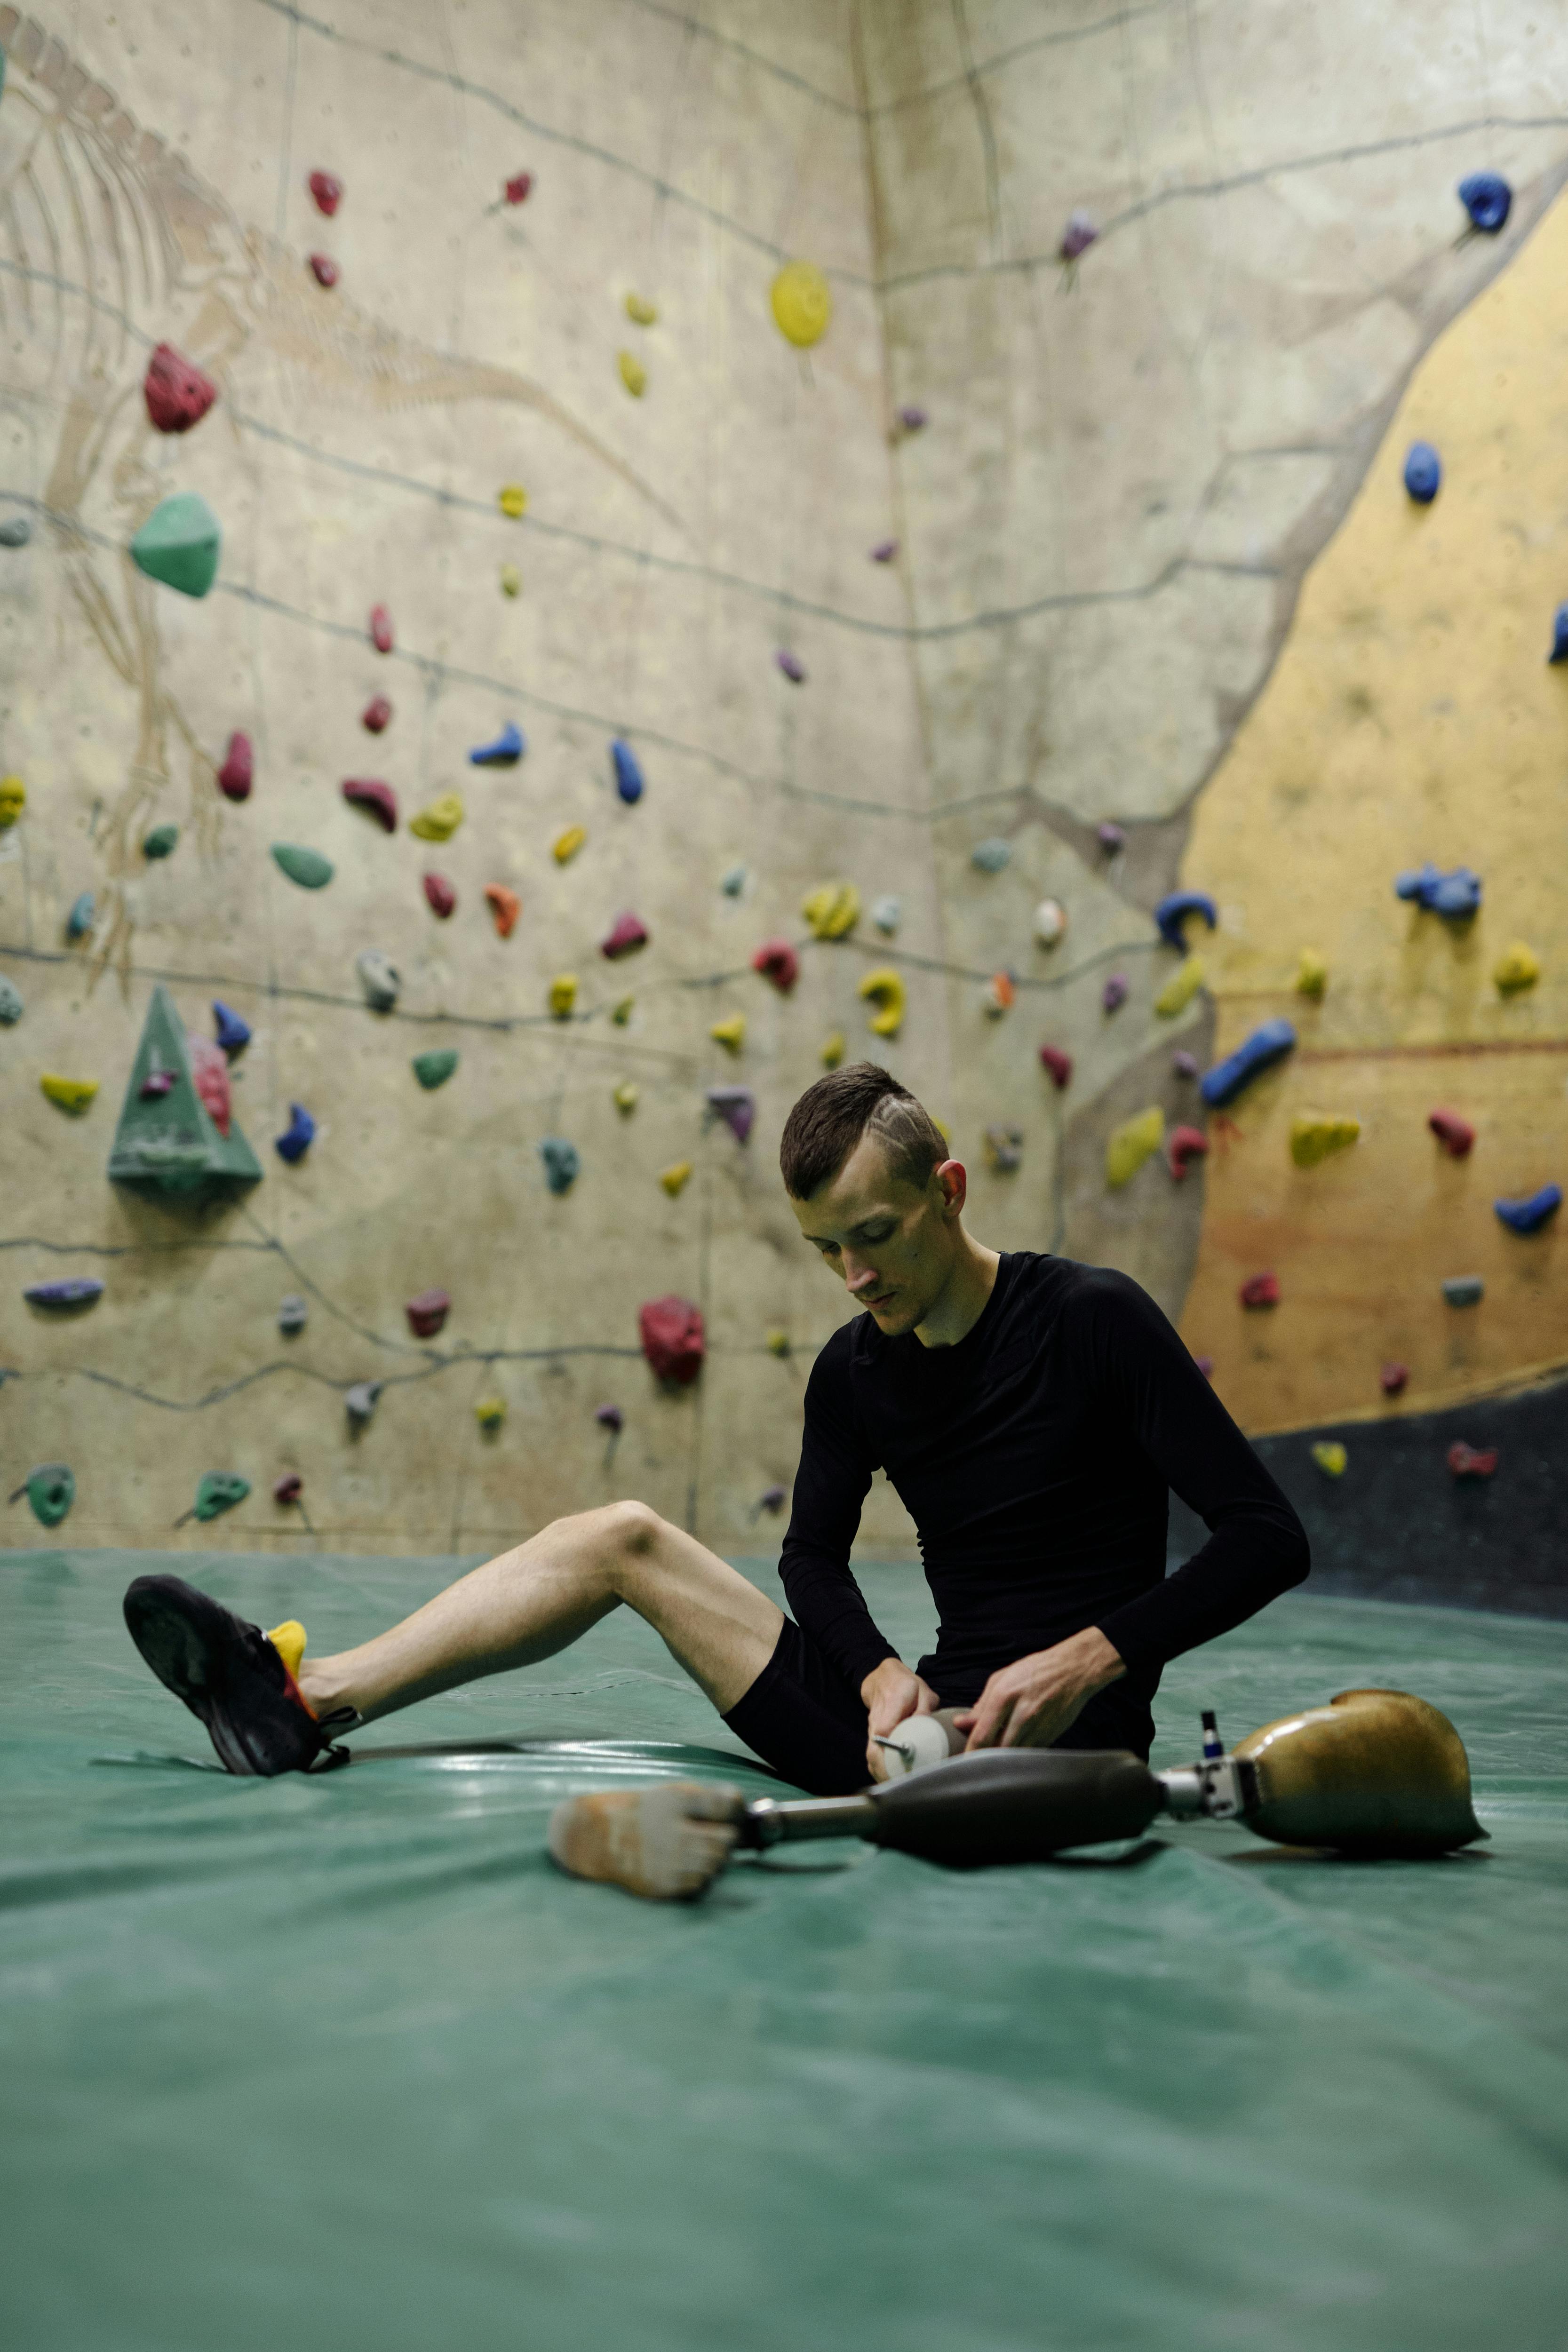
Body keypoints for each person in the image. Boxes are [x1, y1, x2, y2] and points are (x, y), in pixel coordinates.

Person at [122, 1064, 1309, 1810]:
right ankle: (306, 1701)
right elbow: (811, 1558)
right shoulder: (853, 1369)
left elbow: (1265, 1536)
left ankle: (300, 1703)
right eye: (823, 1250)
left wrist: (1089, 1658)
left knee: (997, 1729)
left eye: (874, 1235)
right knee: (620, 1536)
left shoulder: (1091, 1320)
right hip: (905, 1739)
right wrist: (875, 1672)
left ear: (948, 1190)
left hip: (1063, 1760)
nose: (853, 1276)